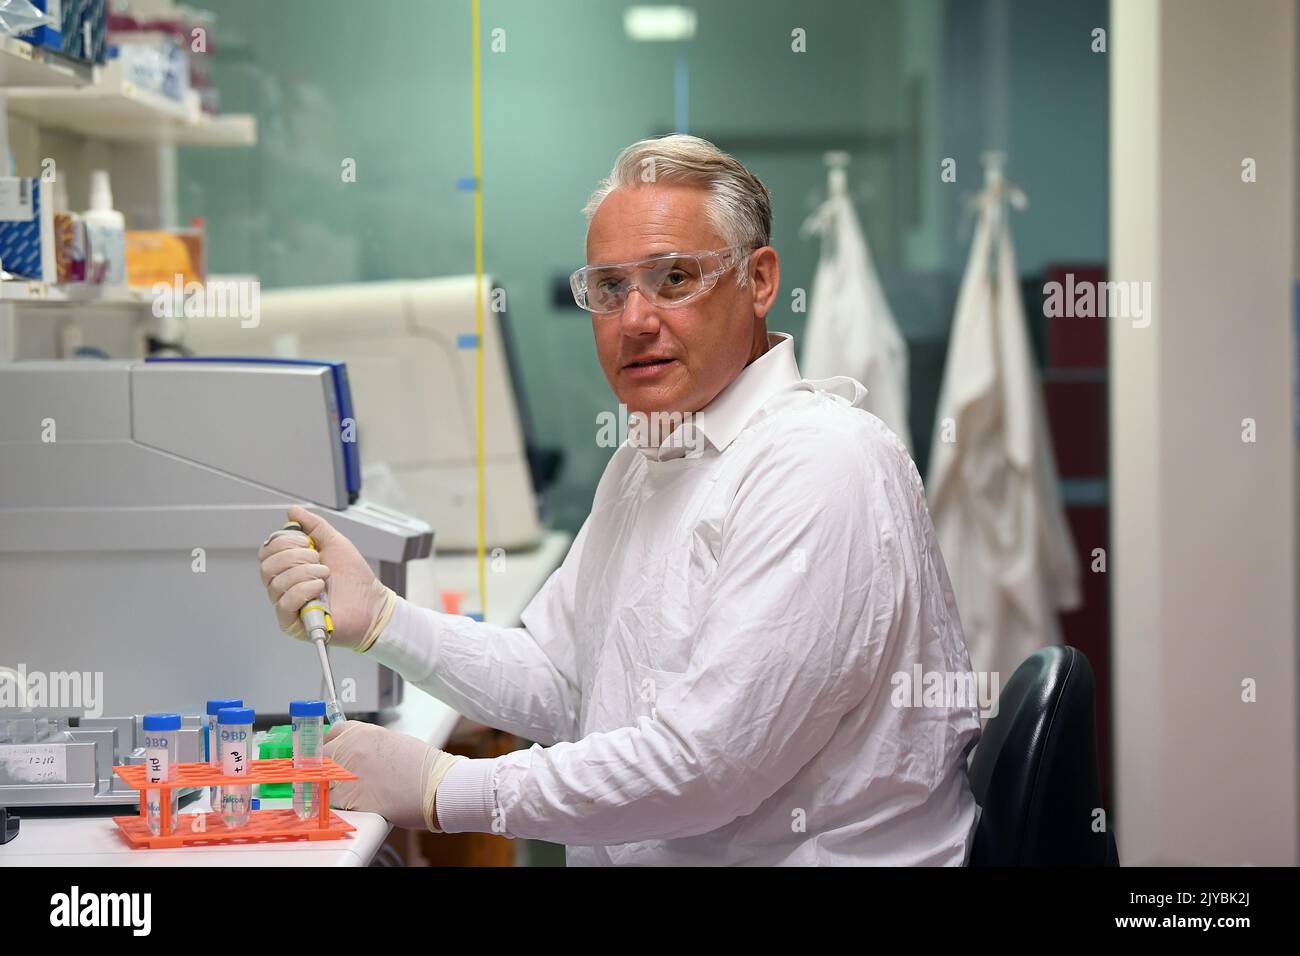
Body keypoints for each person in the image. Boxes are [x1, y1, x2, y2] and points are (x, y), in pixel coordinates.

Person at [258, 134, 980, 866]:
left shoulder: (819, 464)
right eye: (610, 288)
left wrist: (445, 788)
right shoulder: (649, 459)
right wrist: (384, 618)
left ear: (759, 281)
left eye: (674, 280)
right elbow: (564, 680)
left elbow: (707, 766)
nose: (635, 319)